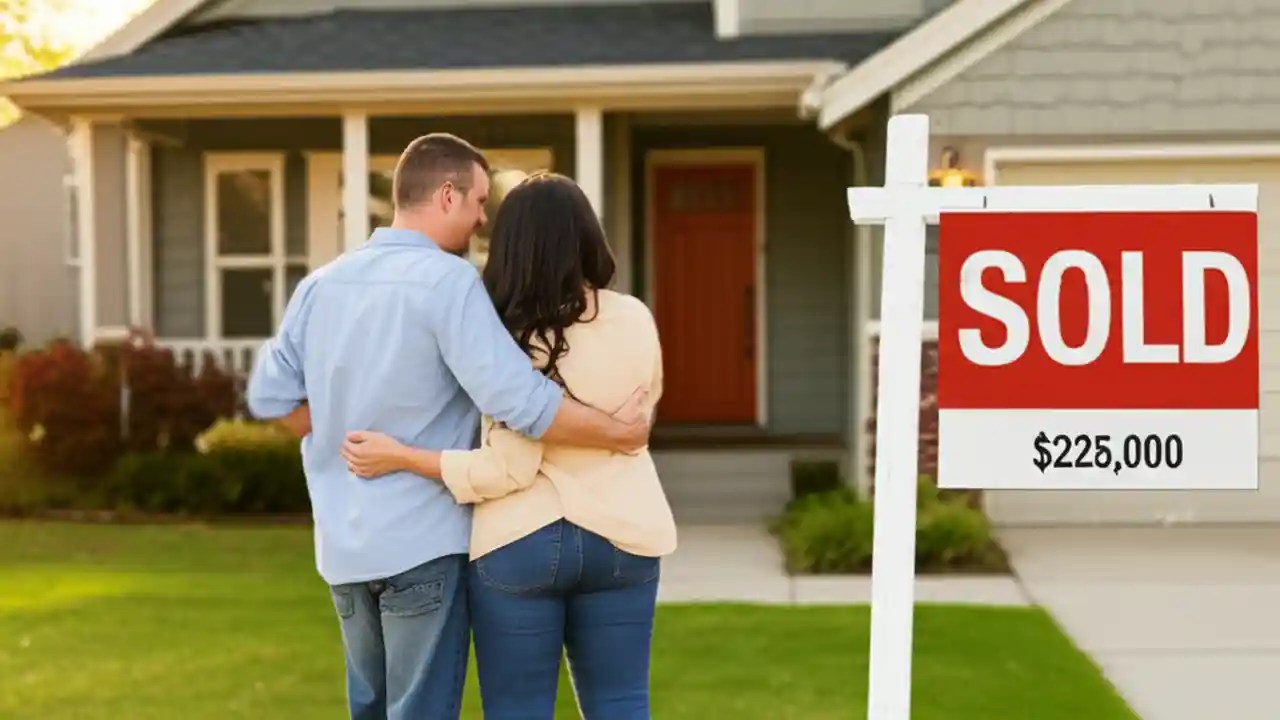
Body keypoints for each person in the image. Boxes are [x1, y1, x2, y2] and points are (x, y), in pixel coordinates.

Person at [244, 135, 652, 720]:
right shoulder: (448, 282)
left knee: (371, 708)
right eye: (479, 201)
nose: (484, 218)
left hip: (344, 548)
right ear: (445, 194)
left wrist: (337, 432)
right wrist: (616, 433)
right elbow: (521, 401)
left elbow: (269, 396)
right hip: (424, 543)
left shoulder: (321, 285)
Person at [340, 171, 678, 720]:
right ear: (587, 235)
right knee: (621, 703)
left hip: (520, 542)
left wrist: (402, 456)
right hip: (625, 537)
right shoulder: (634, 317)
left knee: (517, 710)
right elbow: (640, 418)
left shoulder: (501, 333)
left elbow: (509, 470)